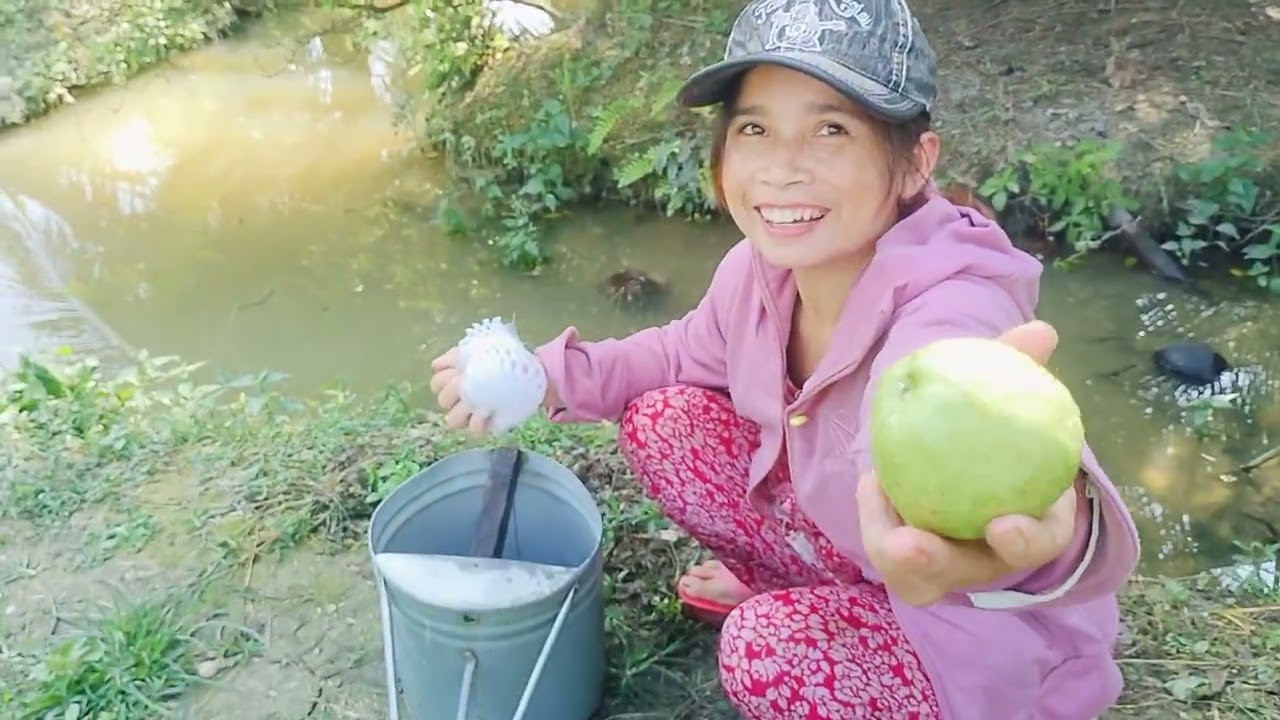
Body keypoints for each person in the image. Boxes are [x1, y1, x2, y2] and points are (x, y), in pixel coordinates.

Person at [429, 0, 1142, 717]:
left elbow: (964, 398)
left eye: (831, 130)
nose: (781, 169)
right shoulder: (755, 272)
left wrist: (1051, 525)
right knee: (663, 420)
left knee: (765, 649)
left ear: (913, 163)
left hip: (968, 641)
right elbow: (678, 351)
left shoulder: (954, 305)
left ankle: (844, 634)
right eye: (755, 130)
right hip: (855, 554)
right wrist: (549, 372)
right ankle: (804, 585)